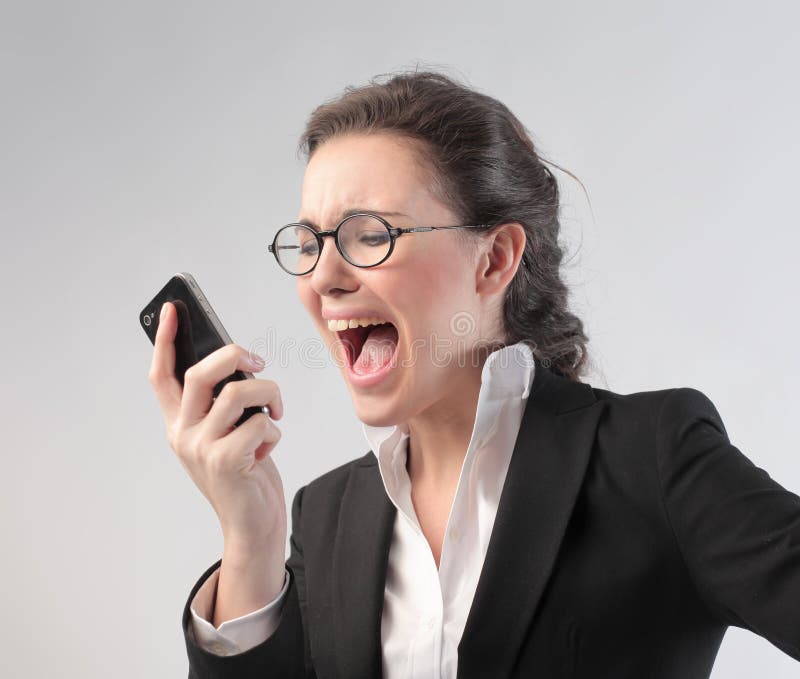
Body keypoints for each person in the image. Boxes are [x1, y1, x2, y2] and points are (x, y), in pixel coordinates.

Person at [147, 71, 800, 678]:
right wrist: (249, 537)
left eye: (369, 234)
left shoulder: (651, 458)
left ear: (494, 261)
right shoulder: (326, 516)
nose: (322, 279)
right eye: (311, 243)